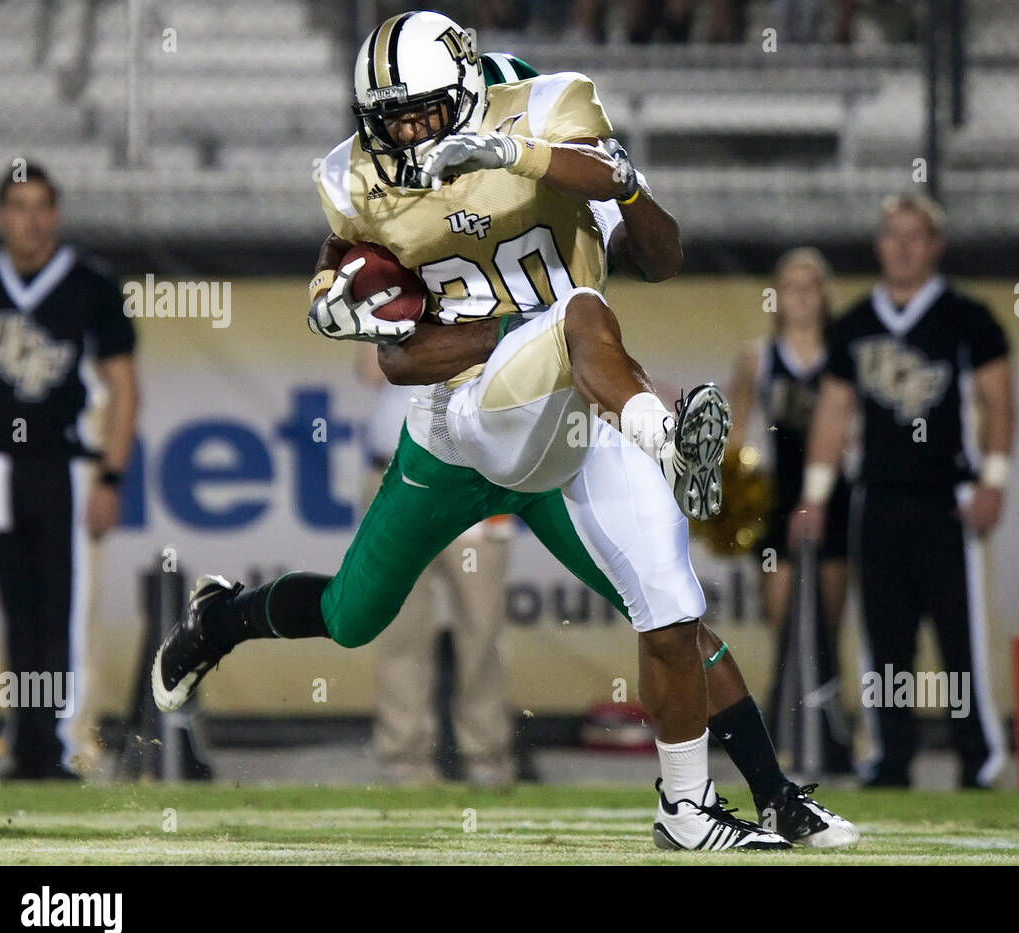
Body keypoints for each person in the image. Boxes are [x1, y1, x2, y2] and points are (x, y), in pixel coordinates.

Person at [152, 10, 857, 850]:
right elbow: (402, 361)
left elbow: (657, 249)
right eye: (392, 116)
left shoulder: (550, 106)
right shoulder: (357, 181)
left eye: (422, 110)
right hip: (462, 421)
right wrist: (337, 306)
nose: (407, 131)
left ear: (467, 85)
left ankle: (741, 803)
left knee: (672, 615)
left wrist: (524, 161)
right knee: (351, 616)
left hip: (571, 417)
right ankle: (223, 618)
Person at [792, 193, 1015, 789]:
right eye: (893, 234)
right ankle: (890, 758)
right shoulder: (857, 324)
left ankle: (978, 758)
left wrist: (993, 481)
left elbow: (998, 402)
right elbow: (834, 415)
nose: (903, 246)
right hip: (878, 500)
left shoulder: (968, 319)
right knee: (883, 641)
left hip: (948, 500)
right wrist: (814, 494)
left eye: (915, 235)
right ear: (878, 243)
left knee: (958, 639)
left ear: (934, 246)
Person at [0, 162, 138, 780]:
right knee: (17, 611)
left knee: (62, 611)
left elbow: (124, 389)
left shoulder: (88, 285)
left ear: (56, 214)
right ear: (0, 215)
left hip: (62, 463)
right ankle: (30, 746)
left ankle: (62, 747)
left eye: (42, 206)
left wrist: (111, 476)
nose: (31, 219)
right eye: (18, 206)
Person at [357, 346, 514, 786]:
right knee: (400, 625)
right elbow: (371, 371)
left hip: (478, 477)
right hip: (395, 475)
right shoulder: (394, 287)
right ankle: (404, 757)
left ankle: (488, 756)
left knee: (483, 624)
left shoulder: (503, 289)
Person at [728, 247, 852, 772]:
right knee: (784, 625)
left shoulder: (843, 354)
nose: (801, 296)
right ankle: (785, 734)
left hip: (834, 500)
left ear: (824, 296)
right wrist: (730, 500)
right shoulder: (757, 358)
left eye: (811, 286)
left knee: (826, 625)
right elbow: (736, 433)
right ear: (776, 297)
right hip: (776, 505)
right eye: (790, 285)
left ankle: (832, 738)